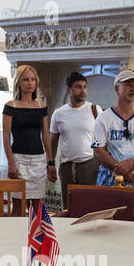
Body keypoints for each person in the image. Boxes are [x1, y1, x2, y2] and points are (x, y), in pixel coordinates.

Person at [92, 69, 134, 220]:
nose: (132, 89)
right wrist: (121, 169)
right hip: (110, 179)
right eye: (128, 85)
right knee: (107, 223)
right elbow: (98, 150)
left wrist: (131, 163)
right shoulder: (104, 118)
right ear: (116, 88)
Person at [3, 64, 53, 203]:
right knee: (18, 204)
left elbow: (46, 134)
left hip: (38, 159)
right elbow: (6, 137)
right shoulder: (10, 106)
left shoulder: (41, 106)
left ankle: (37, 226)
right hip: (18, 158)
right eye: (26, 79)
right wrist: (11, 162)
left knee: (38, 204)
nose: (30, 83)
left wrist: (51, 162)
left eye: (33, 79)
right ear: (18, 82)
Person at [50, 71, 99, 204]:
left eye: (84, 87)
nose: (83, 90)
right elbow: (53, 142)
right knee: (68, 206)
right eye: (78, 87)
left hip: (89, 165)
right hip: (66, 166)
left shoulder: (94, 109)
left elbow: (103, 140)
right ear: (68, 89)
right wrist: (50, 164)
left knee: (88, 206)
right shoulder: (58, 113)